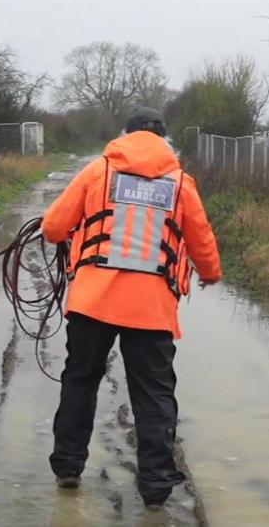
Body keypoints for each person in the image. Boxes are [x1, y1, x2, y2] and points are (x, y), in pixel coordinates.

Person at [42, 107, 222, 508]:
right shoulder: (180, 183)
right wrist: (210, 273)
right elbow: (201, 238)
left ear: (124, 135)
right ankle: (156, 489)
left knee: (80, 382)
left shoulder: (98, 171)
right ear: (164, 140)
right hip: (152, 308)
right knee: (153, 395)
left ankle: (68, 468)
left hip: (92, 303)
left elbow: (54, 228)